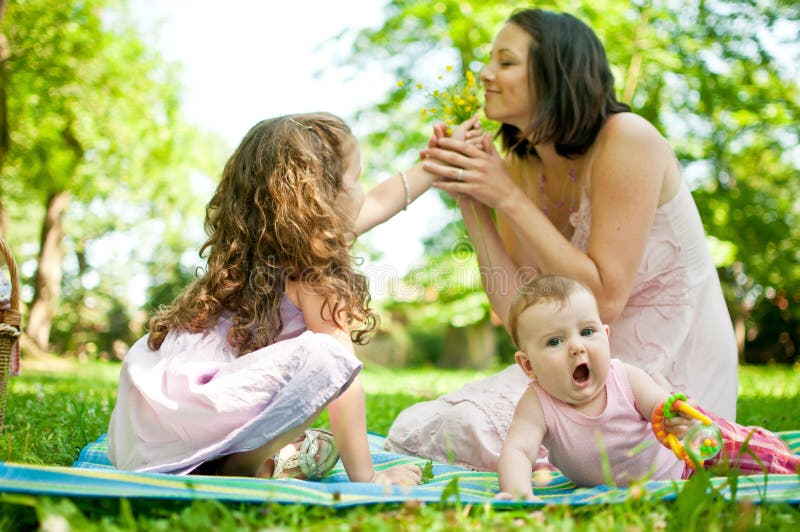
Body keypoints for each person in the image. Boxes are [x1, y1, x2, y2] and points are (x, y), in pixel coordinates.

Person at [385, 7, 739, 471]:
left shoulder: (626, 139)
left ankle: (555, 461)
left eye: (505, 62)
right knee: (421, 427)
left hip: (659, 374)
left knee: (513, 433)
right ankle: (548, 461)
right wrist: (471, 199)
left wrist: (507, 197)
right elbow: (518, 314)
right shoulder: (518, 167)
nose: (485, 74)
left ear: (556, 73)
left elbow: (605, 301)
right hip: (572, 367)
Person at [107, 112, 477, 482]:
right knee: (330, 356)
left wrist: (436, 164)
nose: (364, 192)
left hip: (148, 436)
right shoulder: (311, 270)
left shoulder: (262, 247)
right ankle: (243, 466)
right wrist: (368, 479)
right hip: (196, 413)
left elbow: (382, 200)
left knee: (316, 424)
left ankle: (230, 462)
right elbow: (342, 381)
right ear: (322, 199)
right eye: (356, 178)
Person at [496, 274, 798, 500]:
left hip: (685, 455)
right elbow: (518, 450)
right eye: (555, 341)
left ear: (606, 334)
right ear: (528, 366)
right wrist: (518, 495)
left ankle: (785, 458)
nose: (576, 347)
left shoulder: (624, 377)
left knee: (743, 451)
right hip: (634, 489)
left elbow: (660, 406)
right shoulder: (537, 403)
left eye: (587, 332)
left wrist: (670, 415)